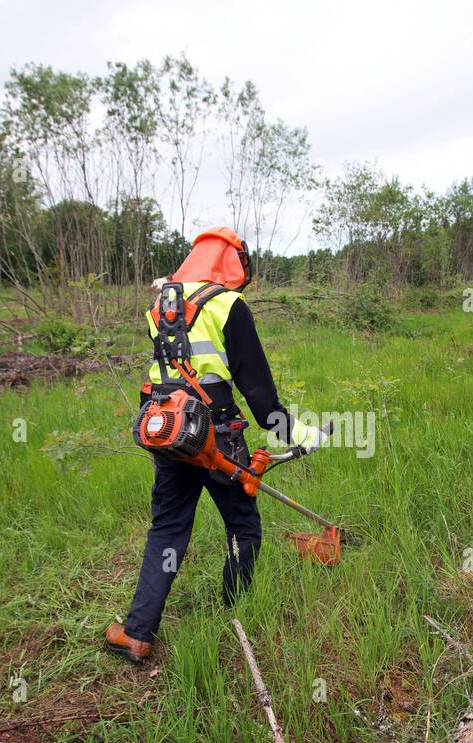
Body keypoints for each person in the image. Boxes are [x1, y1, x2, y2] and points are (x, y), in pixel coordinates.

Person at [106, 227, 325, 663]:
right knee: (242, 526)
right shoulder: (228, 305)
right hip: (217, 434)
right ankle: (236, 610)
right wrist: (299, 434)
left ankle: (137, 633)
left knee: (167, 528)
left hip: (168, 428)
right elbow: (260, 395)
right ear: (233, 261)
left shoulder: (162, 303)